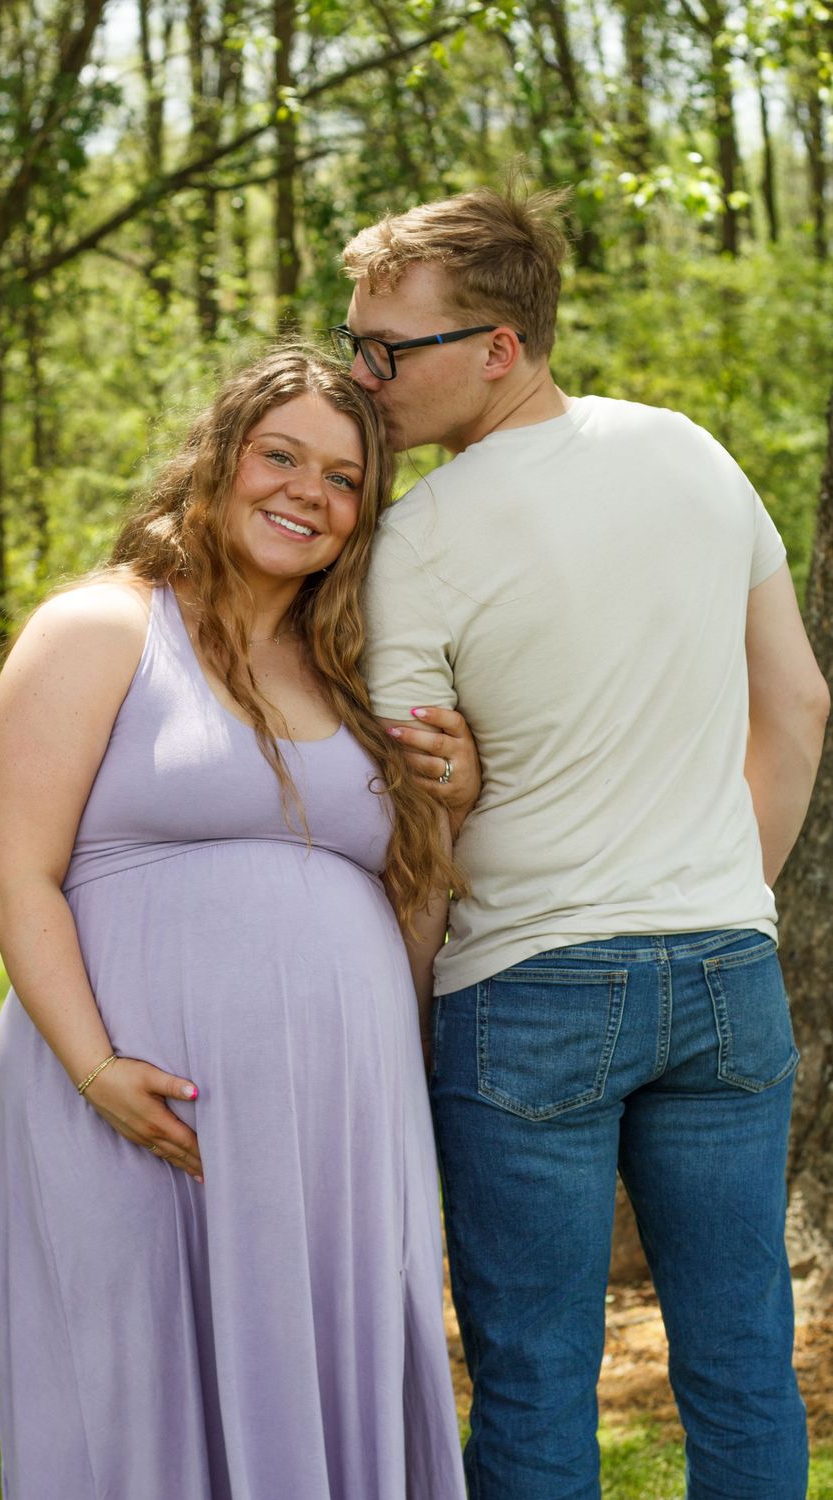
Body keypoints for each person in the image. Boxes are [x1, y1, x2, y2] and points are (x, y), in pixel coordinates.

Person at [331, 184, 831, 1499]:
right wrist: (725, 894)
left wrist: (398, 1009)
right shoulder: (693, 454)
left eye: (391, 350)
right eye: (353, 343)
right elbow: (802, 702)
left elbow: (420, 826)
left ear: (500, 346)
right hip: (728, 971)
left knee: (537, 1375)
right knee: (742, 1360)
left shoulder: (413, 546)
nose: (362, 377)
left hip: (527, 989)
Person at [0, 349, 473, 1500]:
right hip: (135, 1107)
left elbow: (405, 905)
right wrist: (97, 1068)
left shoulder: (350, 675)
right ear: (220, 459)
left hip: (341, 1127)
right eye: (281, 455)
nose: (308, 491)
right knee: (137, 1399)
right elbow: (15, 876)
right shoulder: (103, 626)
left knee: (334, 1394)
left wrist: (449, 806)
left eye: (344, 479)